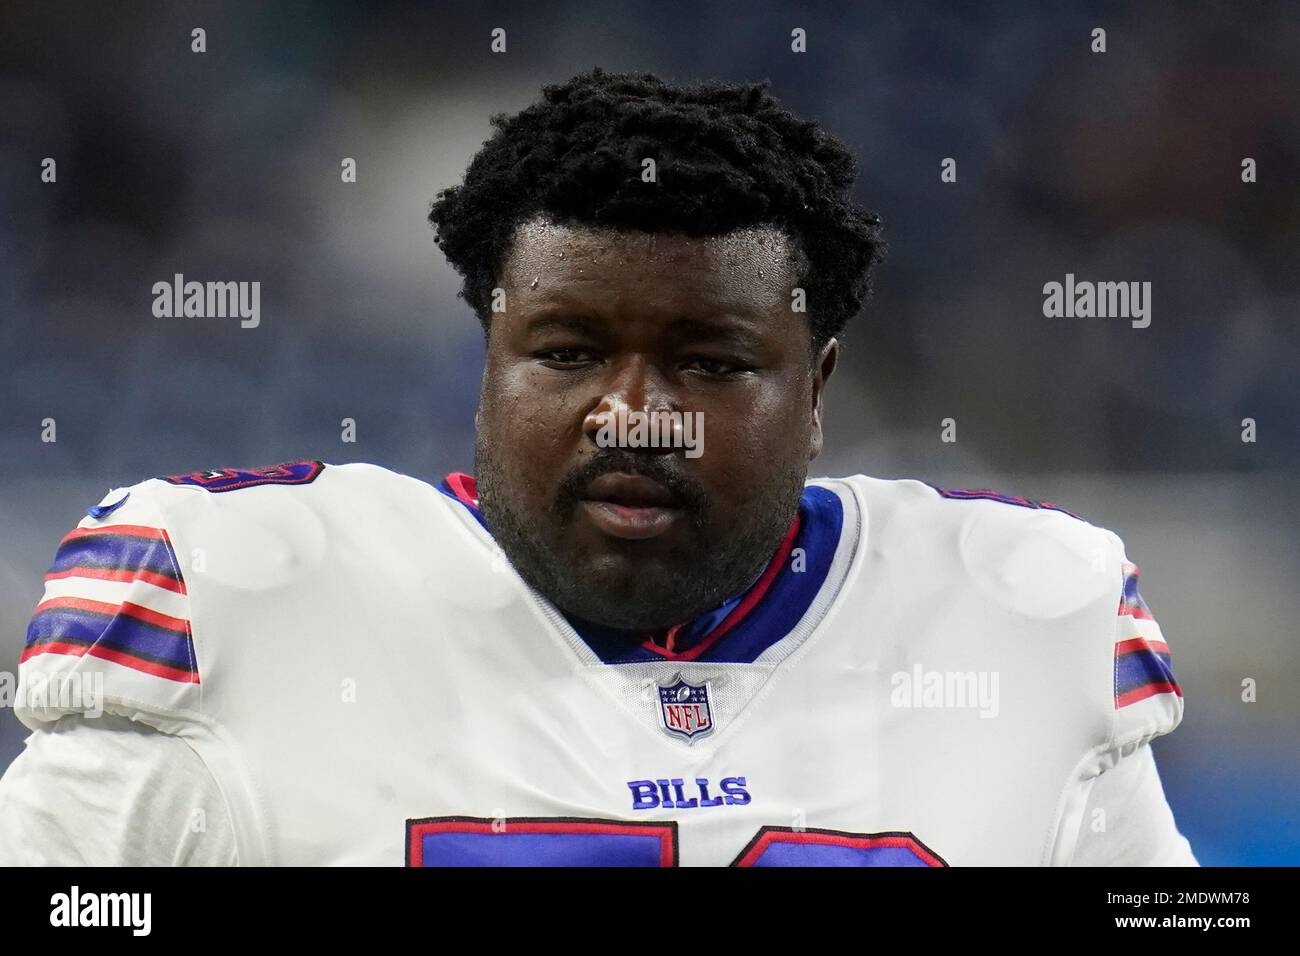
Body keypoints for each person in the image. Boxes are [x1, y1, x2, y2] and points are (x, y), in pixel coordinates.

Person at [0, 68, 1194, 866]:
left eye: (712, 363)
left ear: (816, 389)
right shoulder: (232, 597)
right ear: (489, 362)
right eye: (566, 352)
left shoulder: (1014, 611)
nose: (633, 417)